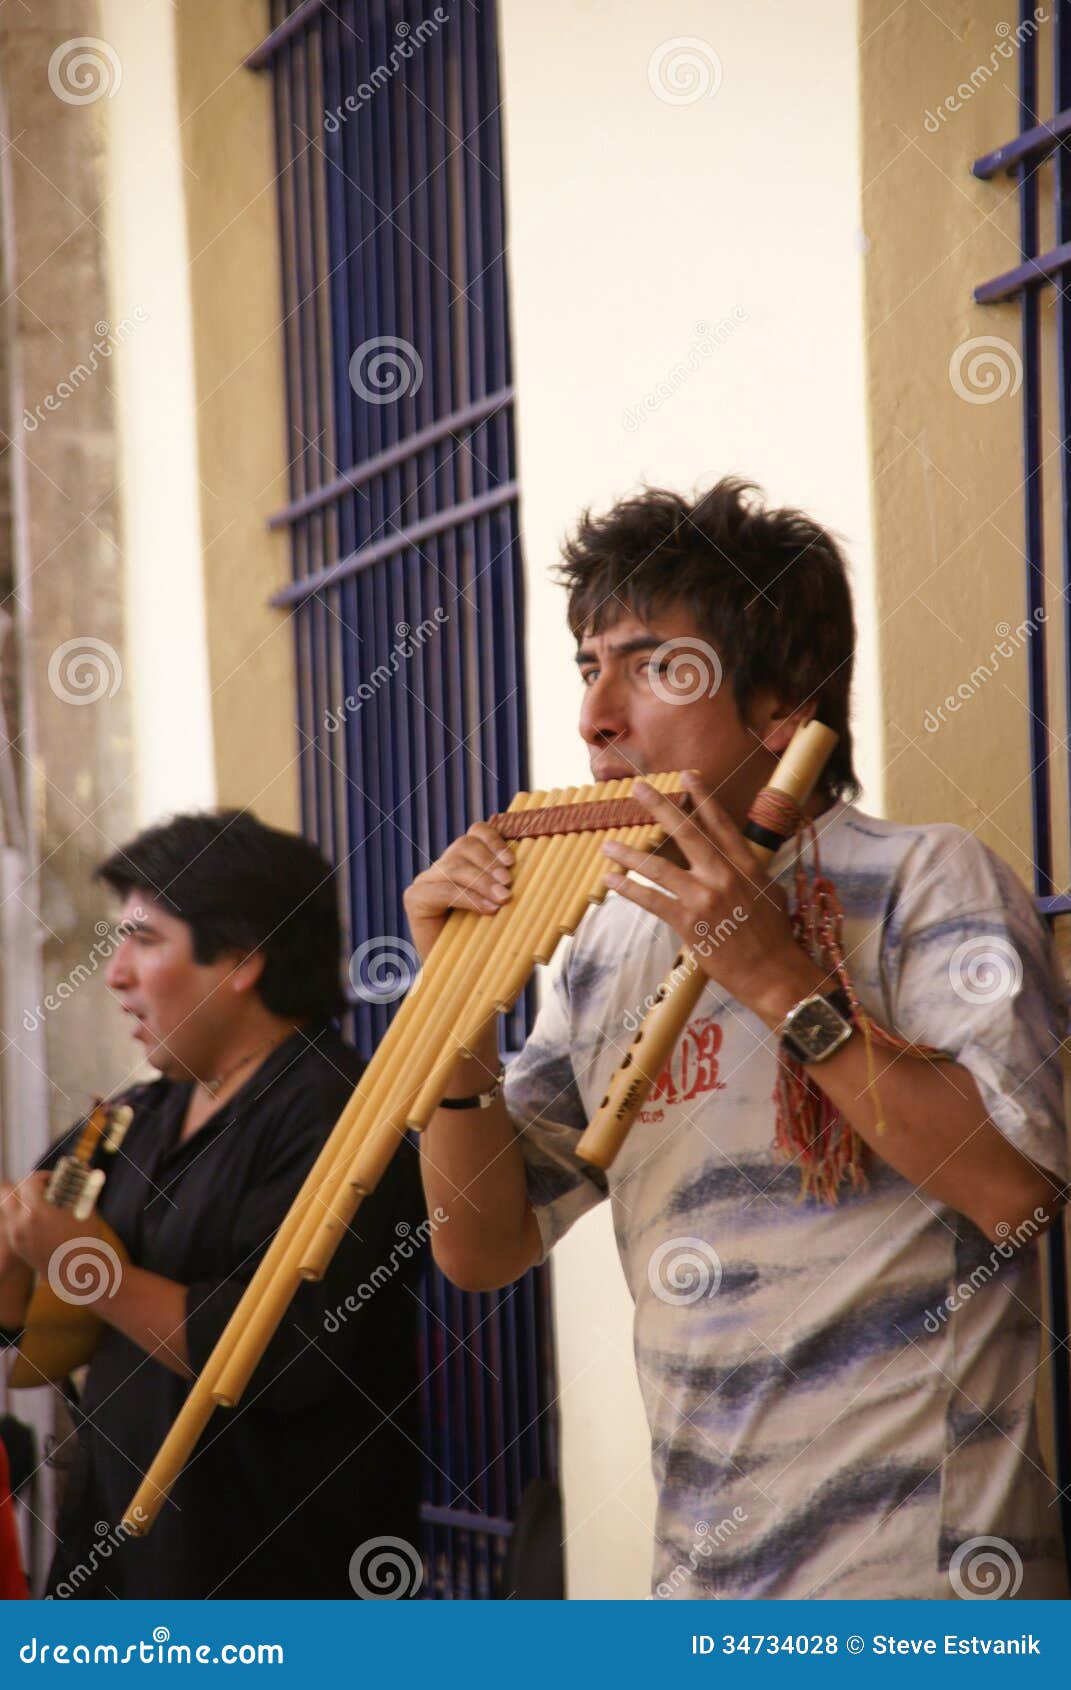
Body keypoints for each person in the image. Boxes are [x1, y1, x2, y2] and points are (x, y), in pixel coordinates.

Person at [407, 477, 1070, 1600]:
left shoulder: (929, 878)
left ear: (778, 705)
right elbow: (480, 1248)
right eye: (586, 666)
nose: (596, 716)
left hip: (928, 1583)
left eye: (651, 666)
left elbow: (1015, 1194)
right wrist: (456, 1016)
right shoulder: (607, 938)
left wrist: (772, 974)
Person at [0, 811, 425, 1598]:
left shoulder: (338, 1117)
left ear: (239, 959)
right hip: (115, 1561)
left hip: (267, 1581)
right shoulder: (143, 1111)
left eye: (144, 941)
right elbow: (28, 1303)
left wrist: (82, 1262)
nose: (115, 974)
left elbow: (274, 1353)